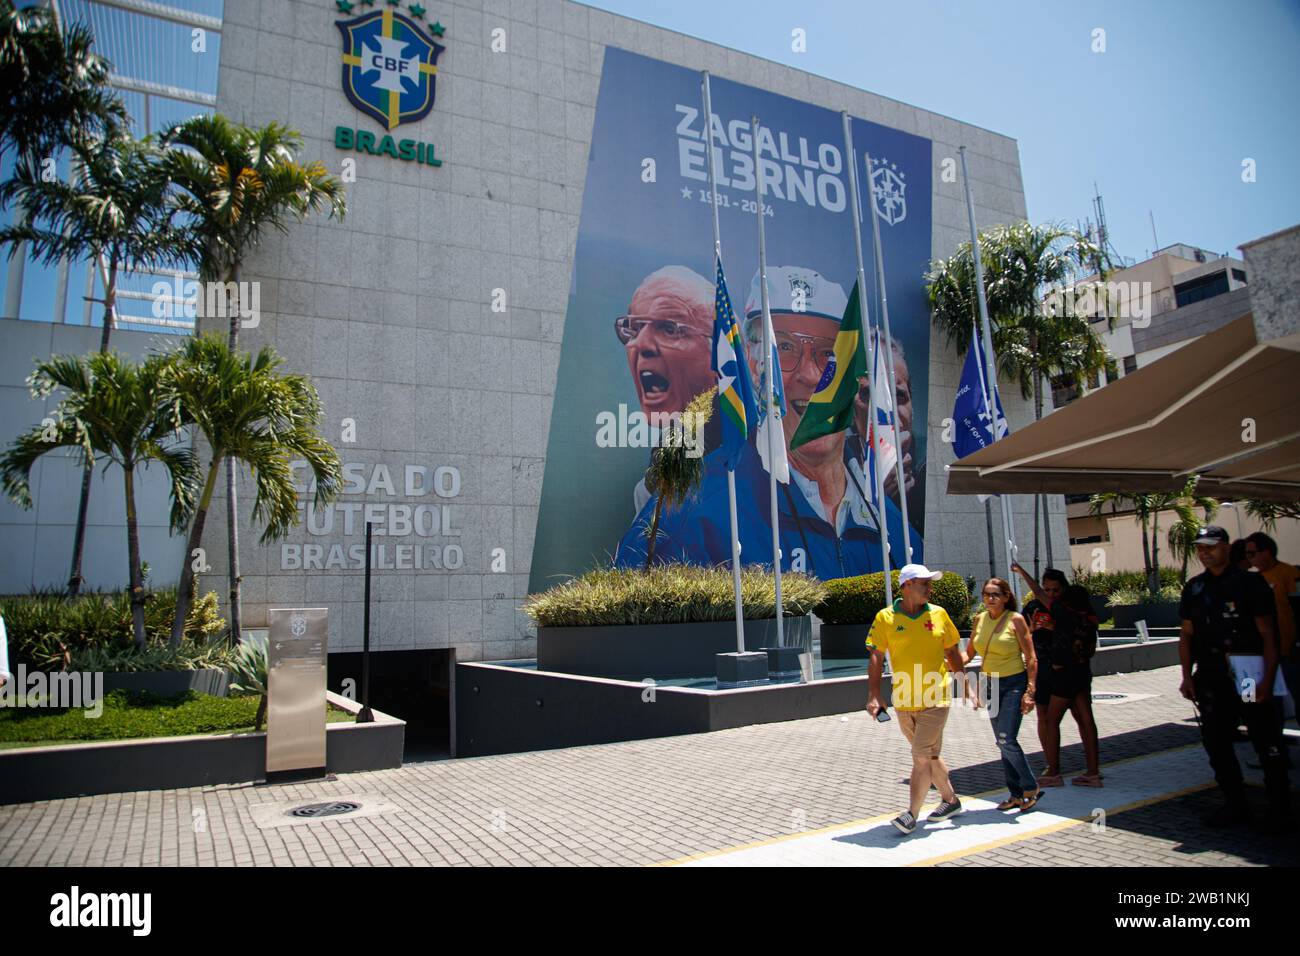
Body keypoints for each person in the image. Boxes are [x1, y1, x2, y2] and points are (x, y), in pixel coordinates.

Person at [614, 264, 921, 578]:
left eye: (829, 353)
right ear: (750, 362)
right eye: (783, 348)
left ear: (854, 375)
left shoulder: (893, 528)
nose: (810, 375)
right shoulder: (687, 517)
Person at [1180, 525, 1292, 830]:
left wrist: (1267, 681)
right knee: (1217, 742)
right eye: (1200, 548)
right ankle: (1235, 804)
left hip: (1247, 675)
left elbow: (1268, 634)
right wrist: (1186, 676)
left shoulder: (1249, 584)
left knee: (1265, 738)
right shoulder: (1194, 588)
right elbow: (1186, 635)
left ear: (1228, 547)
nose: (1205, 552)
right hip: (1212, 678)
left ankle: (1280, 809)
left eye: (1211, 546)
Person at [865, 564, 967, 834]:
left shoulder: (939, 614)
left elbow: (953, 652)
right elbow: (875, 655)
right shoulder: (885, 618)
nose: (930, 588)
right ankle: (951, 800)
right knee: (930, 756)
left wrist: (967, 683)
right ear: (907, 585)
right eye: (925, 583)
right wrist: (875, 694)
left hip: (936, 698)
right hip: (904, 701)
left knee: (920, 757)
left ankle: (911, 814)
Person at [615, 265, 720, 514]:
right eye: (634, 328)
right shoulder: (675, 439)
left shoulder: (756, 442)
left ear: (717, 352)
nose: (639, 344)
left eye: (670, 329)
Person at [1013, 563, 1101, 786]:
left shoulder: (1063, 610)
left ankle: (1054, 771)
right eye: (1048, 589)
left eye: (1056, 590)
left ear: (1066, 591)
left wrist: (1022, 572)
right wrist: (1033, 631)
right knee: (1084, 718)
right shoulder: (1085, 615)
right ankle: (1091, 772)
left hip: (1063, 671)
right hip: (1076, 670)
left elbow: (1040, 595)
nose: (1050, 594)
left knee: (1052, 719)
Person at [961, 577, 1041, 811]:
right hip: (990, 685)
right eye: (986, 594)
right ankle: (1015, 794)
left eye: (995, 594)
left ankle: (1030, 786)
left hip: (1013, 683)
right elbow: (969, 654)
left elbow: (1031, 657)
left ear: (1006, 597)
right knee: (1002, 742)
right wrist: (951, 662)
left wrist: (1030, 691)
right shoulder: (980, 620)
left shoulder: (1015, 620)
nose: (990, 598)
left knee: (1006, 738)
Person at [1246, 531, 1299, 728]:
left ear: (1266, 553)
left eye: (1252, 553)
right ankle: (1268, 749)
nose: (1249, 559)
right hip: (1254, 658)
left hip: (1288, 652)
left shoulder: (1290, 574)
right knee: (1255, 702)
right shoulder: (1249, 581)